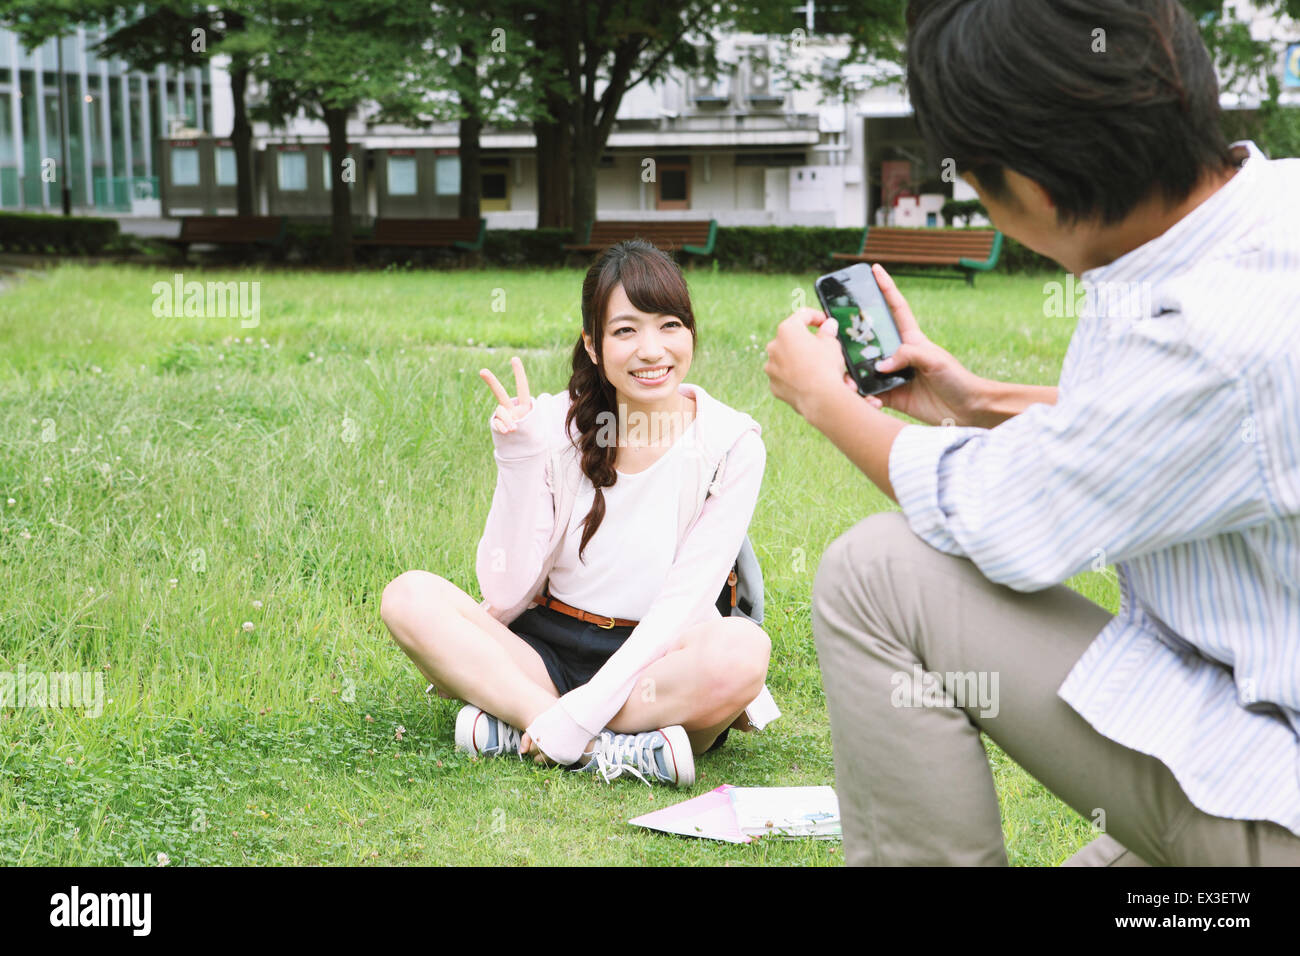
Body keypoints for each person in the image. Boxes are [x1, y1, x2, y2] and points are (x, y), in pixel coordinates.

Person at [763, 0, 1300, 864]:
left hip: (1273, 780)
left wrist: (830, 404)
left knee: (877, 574)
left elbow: (1003, 517)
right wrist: (977, 401)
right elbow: (1197, 436)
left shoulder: (1215, 335)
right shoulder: (1271, 217)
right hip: (1254, 725)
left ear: (1035, 188)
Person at [381, 239, 778, 787]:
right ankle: (613, 749)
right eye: (625, 330)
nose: (651, 350)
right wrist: (518, 457)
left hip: (657, 664)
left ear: (690, 332)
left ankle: (525, 723)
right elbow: (504, 588)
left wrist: (582, 711)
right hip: (546, 646)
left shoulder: (732, 444)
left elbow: (684, 606)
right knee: (408, 595)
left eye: (669, 326)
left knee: (744, 654)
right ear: (592, 345)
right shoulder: (552, 424)